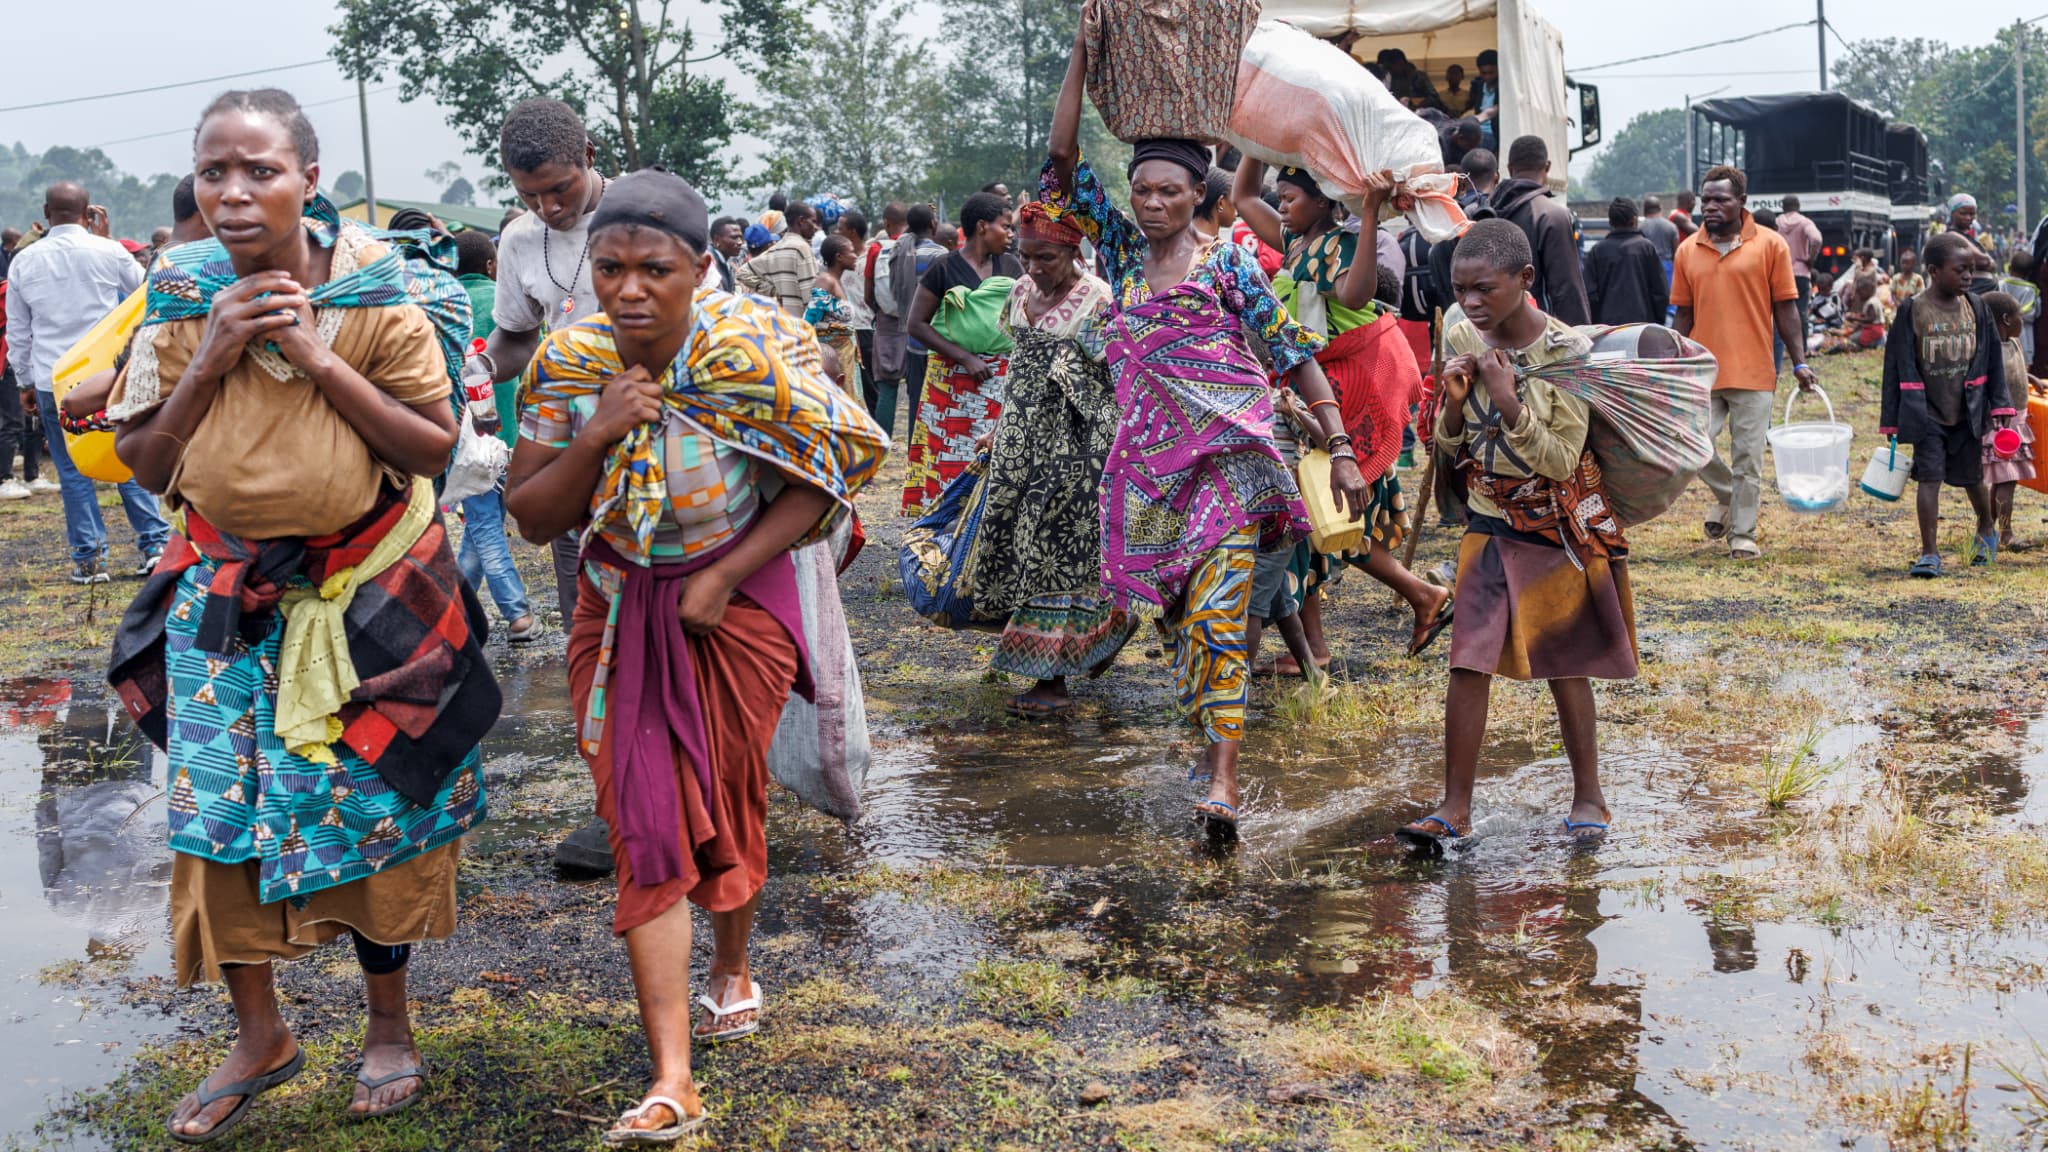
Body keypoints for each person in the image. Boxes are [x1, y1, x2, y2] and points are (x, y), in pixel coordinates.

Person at [104, 88, 496, 1141]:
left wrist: (317, 355)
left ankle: (387, 1028)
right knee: (218, 821)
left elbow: (430, 446)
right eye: (214, 171)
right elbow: (141, 459)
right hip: (227, 604)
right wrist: (218, 353)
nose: (234, 194)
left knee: (373, 813)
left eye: (260, 171)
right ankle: (260, 1036)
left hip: (362, 593)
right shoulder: (179, 295)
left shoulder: (375, 292)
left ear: (308, 181)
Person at [502, 167, 884, 1146]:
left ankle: (732, 962)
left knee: (727, 790)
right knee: (646, 812)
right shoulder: (570, 361)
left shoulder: (758, 345)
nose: (629, 290)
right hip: (618, 604)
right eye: (610, 268)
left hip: (734, 602)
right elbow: (533, 511)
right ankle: (672, 1074)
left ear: (698, 268)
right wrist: (594, 435)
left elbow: (826, 478)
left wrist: (725, 575)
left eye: (654, 270)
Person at [1047, 26, 1369, 842]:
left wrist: (1338, 447)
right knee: (1184, 622)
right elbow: (1059, 162)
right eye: (1142, 191)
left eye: (1168, 193)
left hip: (1230, 467)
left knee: (1224, 619)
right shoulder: (1117, 256)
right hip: (1148, 475)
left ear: (1200, 199)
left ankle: (1221, 780)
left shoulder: (1229, 267)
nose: (1152, 203)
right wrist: (1087, 51)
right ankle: (1206, 736)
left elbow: (1291, 352)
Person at [1397, 219, 1636, 854]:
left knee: (1566, 663)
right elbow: (1448, 445)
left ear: (1526, 281)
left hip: (1552, 524)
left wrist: (1509, 403)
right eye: (1460, 289)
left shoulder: (1566, 355)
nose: (1471, 303)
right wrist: (1452, 405)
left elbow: (1560, 459)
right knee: (1467, 662)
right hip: (1486, 514)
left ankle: (1589, 796)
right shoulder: (1455, 329)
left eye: (1485, 289)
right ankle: (1455, 807)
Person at [471, 97, 614, 872]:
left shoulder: (641, 213)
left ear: (588, 153)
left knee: (678, 625)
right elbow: (519, 335)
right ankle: (616, 803)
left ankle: (697, 791)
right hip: (570, 462)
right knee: (587, 629)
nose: (547, 206)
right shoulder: (522, 240)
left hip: (664, 455)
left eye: (558, 189)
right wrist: (474, 368)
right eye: (530, 195)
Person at [1232, 158, 1450, 668]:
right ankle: (1336, 637)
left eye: (1290, 197)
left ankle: (1342, 635)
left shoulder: (1344, 244)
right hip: (1318, 383)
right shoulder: (1295, 241)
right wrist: (1255, 140)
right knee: (1313, 512)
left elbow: (1356, 293)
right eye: (1280, 196)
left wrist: (1369, 211)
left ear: (1325, 200)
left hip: (1353, 384)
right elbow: (1244, 198)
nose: (1281, 205)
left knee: (1315, 510)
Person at [974, 202, 1137, 717]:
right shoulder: (1021, 291)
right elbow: (1017, 364)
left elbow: (1119, 380)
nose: (1033, 268)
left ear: (1075, 251)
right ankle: (1106, 629)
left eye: (1045, 257)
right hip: (1022, 440)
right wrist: (1000, 427)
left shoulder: (1099, 301)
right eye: (1025, 257)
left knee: (1055, 547)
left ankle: (1051, 681)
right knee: (1017, 541)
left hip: (1078, 443)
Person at [3, 180, 171, 584]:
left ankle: (90, 560)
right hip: (106, 374)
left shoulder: (24, 261)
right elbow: (148, 292)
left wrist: (25, 380)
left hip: (52, 380)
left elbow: (20, 331)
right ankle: (155, 546)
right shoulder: (109, 250)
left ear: (45, 214)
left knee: (71, 470)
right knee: (124, 456)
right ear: (88, 213)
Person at [1672, 164, 1816, 561]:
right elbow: (1683, 315)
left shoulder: (1771, 245)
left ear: (1742, 202)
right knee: (1688, 444)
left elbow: (1787, 310)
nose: (1711, 207)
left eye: (1721, 199)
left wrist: (1800, 362)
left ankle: (1743, 535)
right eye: (1706, 200)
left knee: (1747, 459)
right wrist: (1670, 363)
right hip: (1702, 371)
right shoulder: (1687, 249)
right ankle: (1729, 497)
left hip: (1754, 371)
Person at [1882, 233, 2011, 577]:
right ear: (1935, 271)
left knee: (1972, 479)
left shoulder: (1978, 308)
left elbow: (1992, 361)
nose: (1969, 276)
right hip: (1925, 412)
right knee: (1929, 479)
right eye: (1960, 269)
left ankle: (1986, 527)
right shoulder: (1912, 309)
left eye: (1972, 269)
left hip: (1968, 411)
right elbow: (1894, 366)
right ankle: (1929, 552)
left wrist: (2001, 407)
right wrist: (1891, 421)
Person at [901, 192, 1022, 514]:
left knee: (994, 457)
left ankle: (983, 526)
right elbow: (916, 324)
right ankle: (944, 527)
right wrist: (965, 357)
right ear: (983, 226)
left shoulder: (1011, 265)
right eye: (1005, 226)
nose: (1010, 234)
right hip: (952, 385)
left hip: (997, 379)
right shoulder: (944, 268)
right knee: (947, 456)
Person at [451, 227, 538, 643]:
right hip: (514, 435)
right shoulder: (506, 305)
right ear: (491, 266)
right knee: (484, 524)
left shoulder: (446, 304)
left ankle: (455, 607)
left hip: (469, 438)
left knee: (482, 523)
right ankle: (516, 613)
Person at [1489, 136, 1590, 325]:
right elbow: (1566, 289)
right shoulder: (1552, 216)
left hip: (1491, 335)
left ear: (1510, 168)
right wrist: (1580, 341)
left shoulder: (1484, 212)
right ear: (1548, 166)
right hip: (1535, 334)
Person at [888, 205, 951, 445]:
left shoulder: (899, 252)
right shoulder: (940, 255)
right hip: (936, 338)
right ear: (933, 224)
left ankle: (914, 451)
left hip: (911, 338)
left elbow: (894, 291)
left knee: (916, 397)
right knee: (938, 396)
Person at [1980, 292, 2035, 550]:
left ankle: (1990, 527)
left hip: (2017, 422)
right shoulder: (1989, 352)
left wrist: (2031, 379)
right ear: (2005, 319)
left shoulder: (2012, 343)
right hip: (2003, 428)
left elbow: (2018, 370)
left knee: (2002, 479)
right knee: (2007, 481)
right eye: (2019, 317)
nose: (2022, 322)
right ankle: (2006, 534)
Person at [1584, 197, 1669, 326]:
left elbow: (1590, 295)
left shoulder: (1598, 251)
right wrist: (1657, 322)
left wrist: (1597, 323)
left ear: (1611, 222)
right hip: (1642, 328)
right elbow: (1661, 293)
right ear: (1634, 221)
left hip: (1607, 329)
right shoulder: (1646, 248)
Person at [867, 202, 911, 431]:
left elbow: (868, 291)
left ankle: (883, 443)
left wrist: (879, 310)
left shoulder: (876, 249)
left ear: (886, 223)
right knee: (918, 387)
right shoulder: (919, 245)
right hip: (918, 322)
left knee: (887, 386)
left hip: (886, 321)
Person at [804, 235, 863, 403]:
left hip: (845, 354)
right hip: (834, 357)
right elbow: (810, 319)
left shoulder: (836, 281)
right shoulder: (825, 281)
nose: (855, 256)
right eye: (851, 252)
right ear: (839, 257)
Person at [737, 202, 819, 316]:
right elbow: (810, 297)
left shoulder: (777, 248)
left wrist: (773, 291)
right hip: (801, 324)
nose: (816, 227)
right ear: (801, 221)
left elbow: (742, 273)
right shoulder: (802, 248)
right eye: (813, 221)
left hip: (783, 322)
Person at [836, 210, 878, 411]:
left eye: (840, 228)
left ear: (852, 232)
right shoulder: (840, 261)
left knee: (870, 385)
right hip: (849, 330)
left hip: (866, 327)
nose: (836, 232)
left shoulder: (871, 257)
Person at [1775, 195, 1823, 365]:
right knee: (1801, 312)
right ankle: (1800, 350)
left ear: (1783, 207)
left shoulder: (1777, 223)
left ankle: (1779, 349)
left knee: (1778, 313)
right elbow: (1816, 239)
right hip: (1801, 273)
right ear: (1798, 206)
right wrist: (1811, 258)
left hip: (1781, 273)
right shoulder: (1804, 222)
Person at [2000, 251, 2040, 364]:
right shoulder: (2032, 290)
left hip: (2003, 332)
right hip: (2024, 335)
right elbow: (2036, 313)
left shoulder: (2000, 284)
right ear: (2030, 273)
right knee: (2024, 365)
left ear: (2009, 267)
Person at [1468, 50, 1500, 149]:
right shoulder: (1477, 86)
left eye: (1491, 73)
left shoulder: (1504, 88)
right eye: (1483, 73)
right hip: (1476, 129)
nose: (1487, 76)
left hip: (1494, 133)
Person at [1639, 195, 1679, 270]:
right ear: (1660, 208)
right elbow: (1676, 253)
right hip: (1667, 267)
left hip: (1646, 267)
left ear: (1644, 210)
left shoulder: (1640, 228)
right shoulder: (1671, 226)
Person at [708, 217, 743, 292]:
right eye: (734, 237)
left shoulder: (727, 262)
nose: (740, 242)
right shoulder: (709, 263)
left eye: (740, 237)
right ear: (717, 240)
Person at [1889, 248, 1926, 315]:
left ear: (1913, 264)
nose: (1904, 266)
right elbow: (1893, 293)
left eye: (1907, 263)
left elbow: (1920, 294)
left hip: (1912, 309)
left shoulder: (1918, 279)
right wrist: (1898, 304)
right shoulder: (1896, 278)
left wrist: (1910, 305)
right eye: (1903, 263)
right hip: (1898, 309)